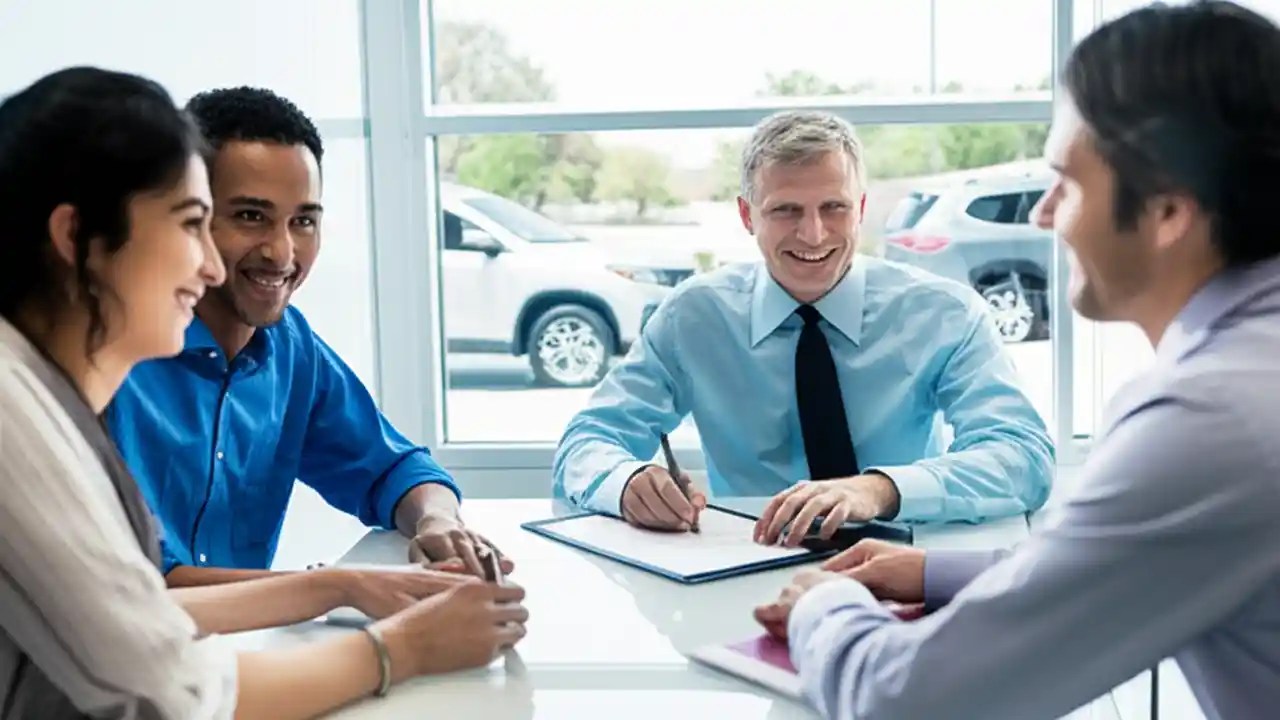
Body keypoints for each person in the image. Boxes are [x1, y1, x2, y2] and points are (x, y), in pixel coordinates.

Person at [753, 3, 1280, 718]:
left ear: (1166, 212)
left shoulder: (1210, 418)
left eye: (1066, 180)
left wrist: (828, 605)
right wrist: (937, 572)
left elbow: (909, 703)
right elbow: (1143, 553)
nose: (1041, 214)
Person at [0, 65, 527, 719]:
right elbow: (172, 686)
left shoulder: (47, 389)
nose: (215, 264)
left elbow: (138, 611)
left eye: (304, 221)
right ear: (77, 239)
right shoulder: (21, 405)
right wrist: (400, 648)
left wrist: (352, 583)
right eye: (194, 223)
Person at [552, 109, 1054, 543]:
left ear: (859, 209)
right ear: (748, 215)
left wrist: (876, 489)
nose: (813, 233)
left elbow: (1022, 457)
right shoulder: (693, 318)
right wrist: (627, 482)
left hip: (906, 565)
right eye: (786, 211)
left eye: (833, 208)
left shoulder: (945, 314)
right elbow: (586, 442)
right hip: (738, 569)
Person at [105, 86, 507, 585]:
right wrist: (336, 591)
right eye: (251, 216)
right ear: (189, 216)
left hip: (246, 652)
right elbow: (133, 586)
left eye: (303, 221)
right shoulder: (113, 353)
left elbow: (392, 469)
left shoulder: (290, 347)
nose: (282, 251)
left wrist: (437, 520)